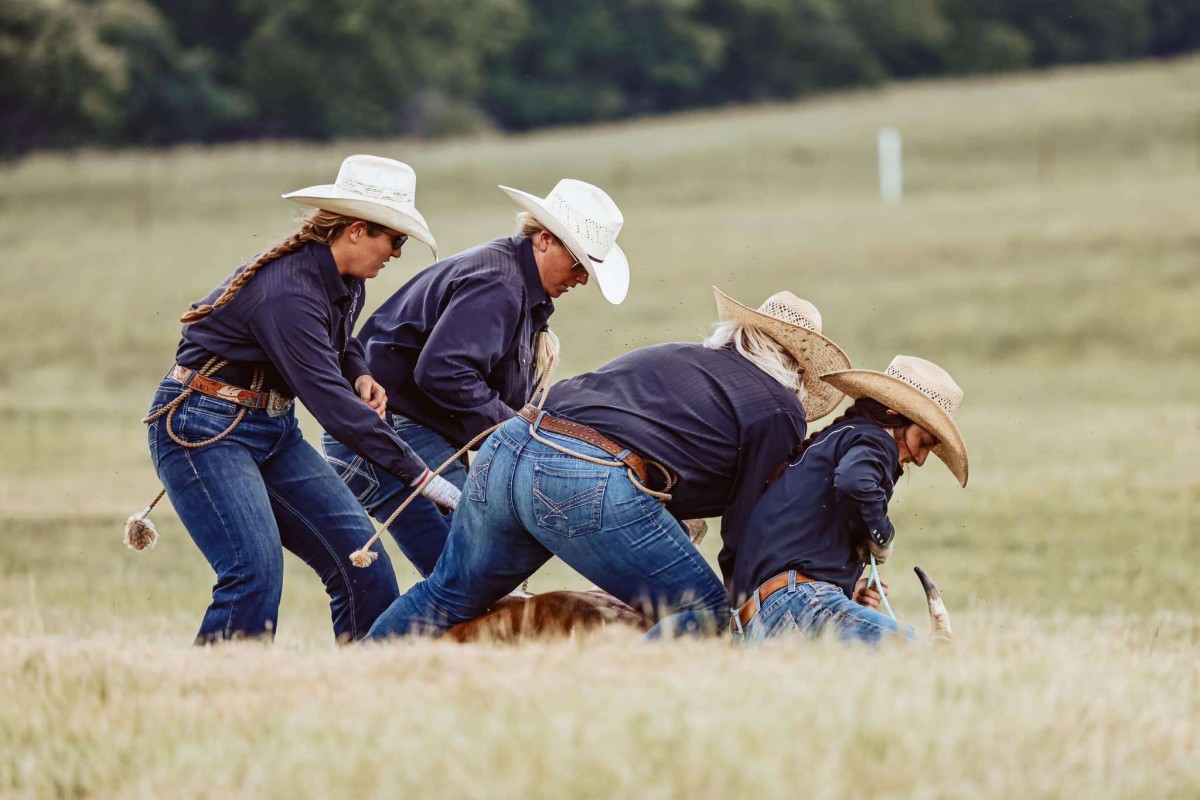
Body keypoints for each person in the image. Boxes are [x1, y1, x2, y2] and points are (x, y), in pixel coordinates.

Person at [362, 287, 852, 640]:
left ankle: (355, 679)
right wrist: (748, 603)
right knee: (702, 610)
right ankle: (620, 707)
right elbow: (745, 532)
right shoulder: (777, 408)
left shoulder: (676, 355)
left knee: (447, 593)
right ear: (798, 371)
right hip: (582, 475)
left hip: (509, 442)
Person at [141, 154, 460, 644]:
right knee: (252, 571)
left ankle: (366, 691)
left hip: (273, 431)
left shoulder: (346, 281)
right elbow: (330, 406)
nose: (396, 253)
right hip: (203, 428)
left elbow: (339, 342)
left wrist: (357, 373)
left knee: (364, 561)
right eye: (394, 239)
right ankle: (212, 701)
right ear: (356, 230)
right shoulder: (287, 293)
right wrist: (424, 479)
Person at [322, 179, 629, 577]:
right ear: (545, 241)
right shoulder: (500, 283)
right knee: (465, 574)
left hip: (396, 429)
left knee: (470, 571)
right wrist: (517, 434)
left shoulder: (508, 276)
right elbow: (444, 371)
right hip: (389, 431)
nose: (582, 279)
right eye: (578, 265)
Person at [727, 355, 969, 646]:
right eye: (924, 442)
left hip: (756, 621)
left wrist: (845, 591)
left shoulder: (836, 441)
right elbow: (855, 483)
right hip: (797, 601)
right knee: (917, 652)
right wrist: (882, 536)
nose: (920, 459)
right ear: (894, 413)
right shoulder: (877, 441)